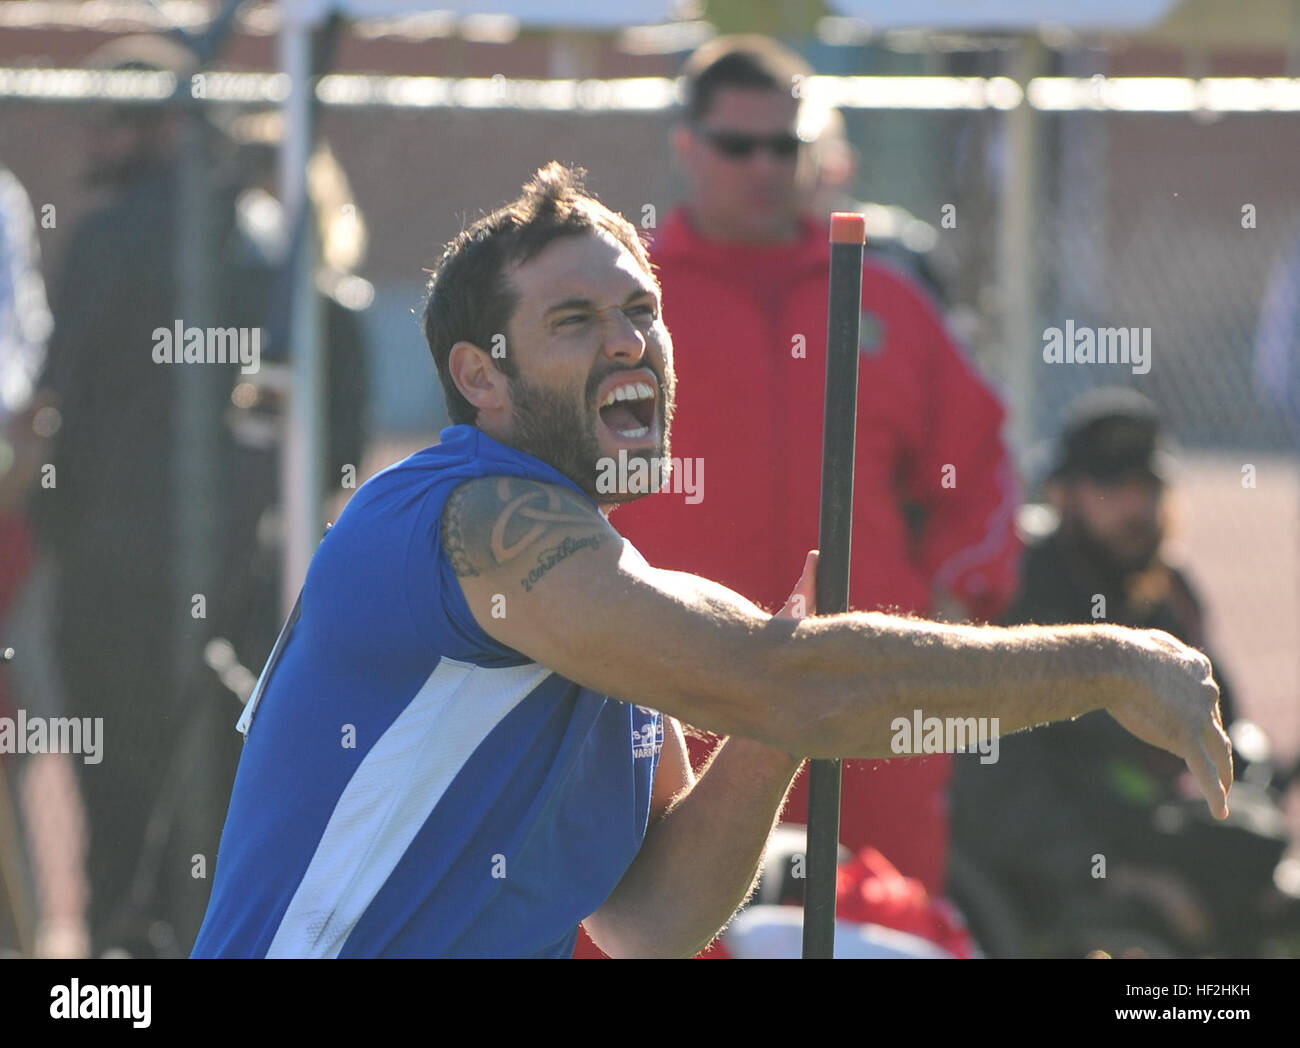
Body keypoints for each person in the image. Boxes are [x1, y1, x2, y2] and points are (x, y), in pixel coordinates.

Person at [190, 163, 1230, 959]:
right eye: (575, 320)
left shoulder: (601, 594)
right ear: (481, 377)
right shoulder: (469, 518)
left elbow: (652, 913)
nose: (631, 340)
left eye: (640, 308)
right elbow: (781, 678)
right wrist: (1111, 663)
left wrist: (772, 721)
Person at [607, 36, 1020, 902]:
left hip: (864, 698)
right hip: (671, 694)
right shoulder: (621, 301)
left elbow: (979, 465)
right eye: (737, 145)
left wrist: (956, 592)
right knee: (658, 925)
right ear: (688, 148)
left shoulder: (886, 298)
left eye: (784, 146)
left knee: (883, 923)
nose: (763, 167)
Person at [948, 387, 1282, 956]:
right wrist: (1124, 879)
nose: (1135, 508)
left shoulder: (1166, 594)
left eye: (1147, 488)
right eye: (1112, 488)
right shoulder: (1020, 596)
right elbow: (996, 793)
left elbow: (1229, 728)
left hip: (1170, 850)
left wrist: (1245, 794)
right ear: (1061, 494)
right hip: (1059, 891)